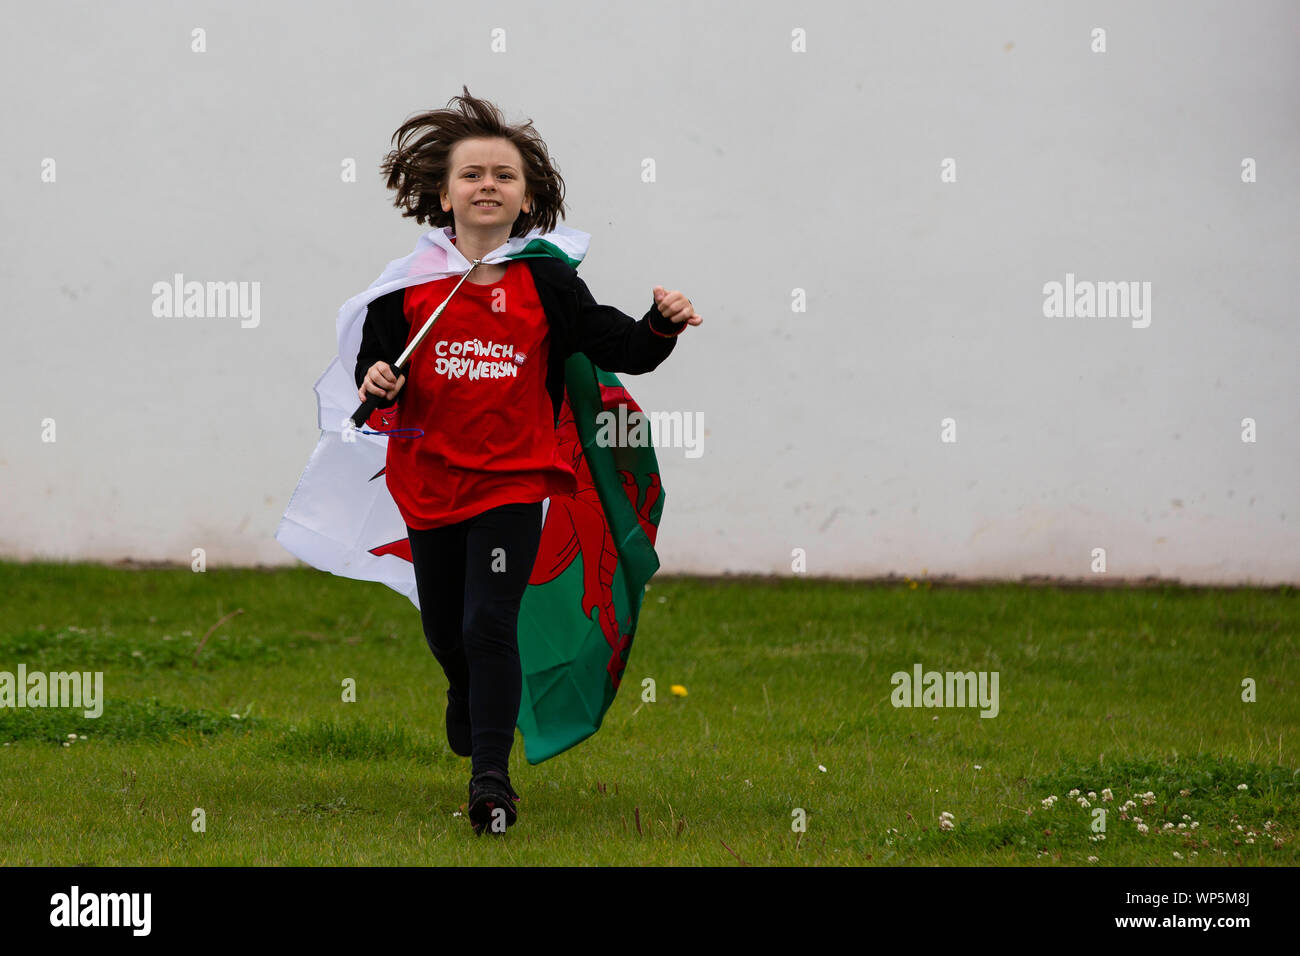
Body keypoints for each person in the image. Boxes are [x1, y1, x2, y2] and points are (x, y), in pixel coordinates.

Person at [353, 87, 702, 835]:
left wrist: (661, 325)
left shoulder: (547, 282)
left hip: (514, 483)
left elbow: (621, 346)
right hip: (429, 483)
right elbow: (376, 364)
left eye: (504, 176)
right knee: (448, 630)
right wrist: (376, 377)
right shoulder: (408, 284)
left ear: (527, 197)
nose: (488, 185)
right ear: (442, 195)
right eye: (472, 174)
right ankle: (464, 690)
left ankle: (491, 784)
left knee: (489, 624)